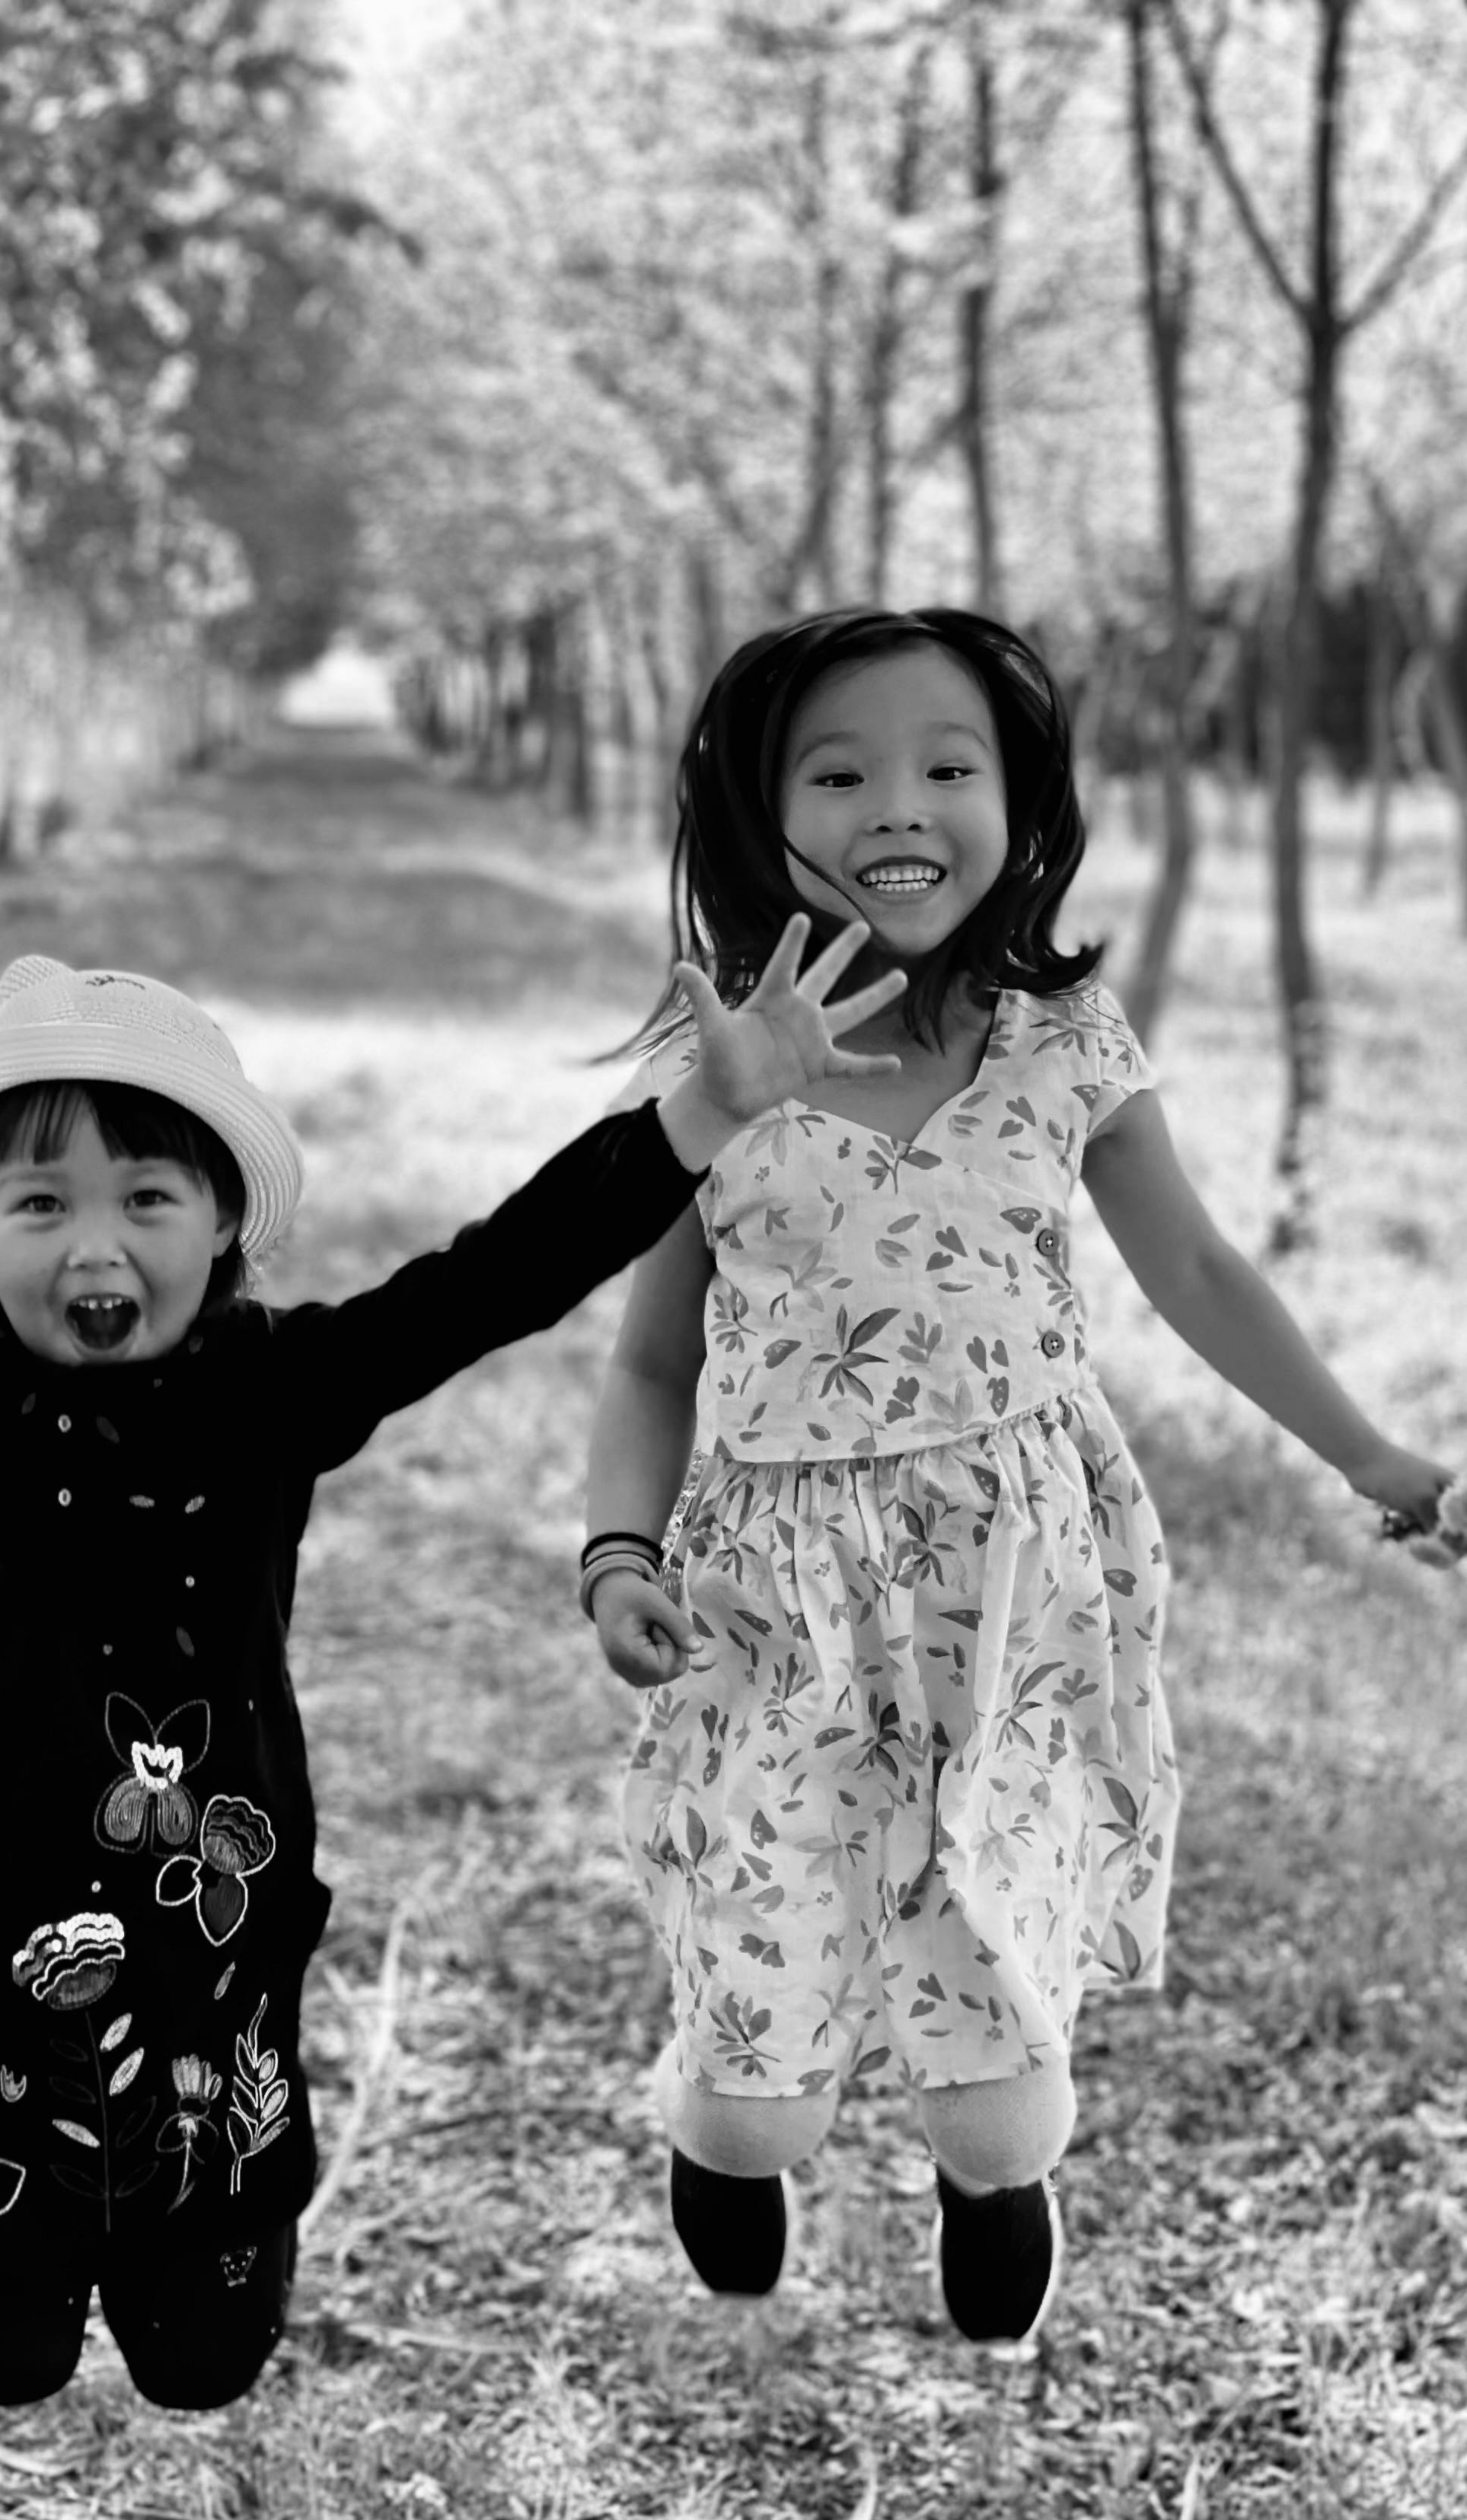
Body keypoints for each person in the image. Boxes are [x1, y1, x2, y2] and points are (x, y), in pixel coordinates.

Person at [0, 938, 908, 2411]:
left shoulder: (277, 1392)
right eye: (40, 1203)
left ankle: (122, 2211)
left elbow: (494, 1280)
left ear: (222, 1225)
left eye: (147, 1197)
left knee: (203, 2370)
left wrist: (701, 1115)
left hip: (191, 1935)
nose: (96, 1245)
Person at [582, 606, 1450, 2350]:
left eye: (945, 766)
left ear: (1018, 797)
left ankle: (996, 2175)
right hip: (778, 1592)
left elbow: (1196, 1274)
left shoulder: (1068, 1043)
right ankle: (729, 2135)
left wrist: (1379, 1456)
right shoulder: (719, 1074)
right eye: (838, 773)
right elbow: (653, 1353)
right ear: (762, 812)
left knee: (988, 1918)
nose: (897, 806)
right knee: (771, 1930)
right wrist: (617, 1550)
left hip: (1015, 1582)